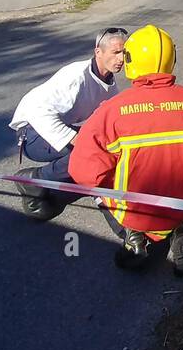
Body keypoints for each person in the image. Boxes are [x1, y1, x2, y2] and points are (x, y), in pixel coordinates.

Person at [69, 25, 183, 271]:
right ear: (172, 59)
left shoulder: (111, 110)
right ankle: (181, 230)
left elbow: (84, 171)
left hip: (132, 212)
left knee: (100, 193)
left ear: (130, 60)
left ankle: (134, 237)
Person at [9, 28, 127, 218]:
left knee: (102, 155)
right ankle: (35, 179)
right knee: (89, 156)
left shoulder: (109, 83)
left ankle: (50, 200)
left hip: (53, 127)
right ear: (98, 52)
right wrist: (77, 140)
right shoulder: (76, 76)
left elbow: (115, 118)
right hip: (31, 132)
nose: (121, 59)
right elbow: (38, 112)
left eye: (124, 53)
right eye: (116, 52)